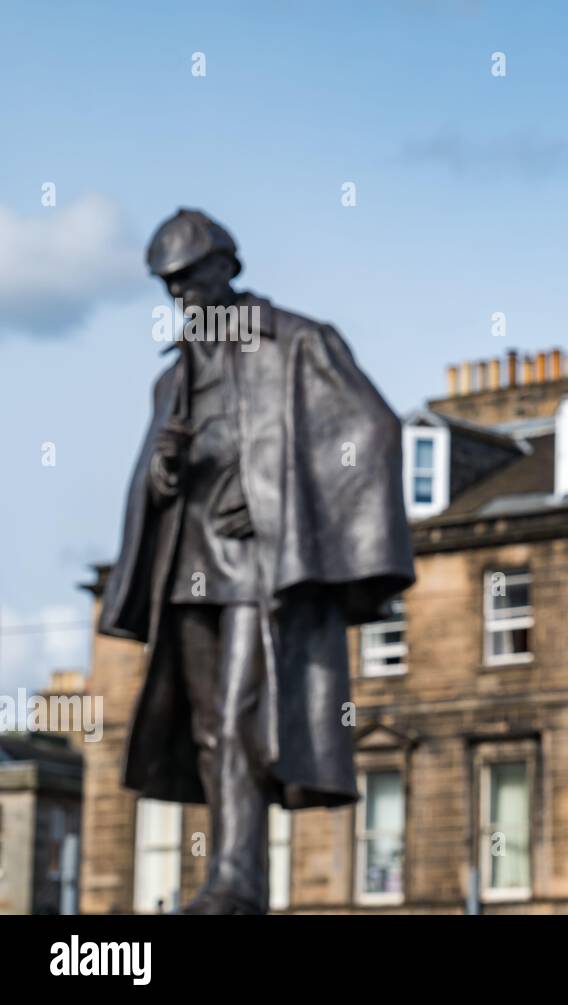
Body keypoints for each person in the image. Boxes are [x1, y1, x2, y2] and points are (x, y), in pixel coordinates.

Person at [98, 209, 415, 914]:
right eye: (168, 286)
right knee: (208, 726)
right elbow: (151, 480)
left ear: (227, 268)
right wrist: (164, 473)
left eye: (188, 279)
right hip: (187, 562)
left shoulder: (298, 342)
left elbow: (370, 434)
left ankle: (238, 880)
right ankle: (226, 875)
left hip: (257, 561)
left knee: (245, 715)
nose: (180, 297)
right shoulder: (172, 377)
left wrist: (280, 498)